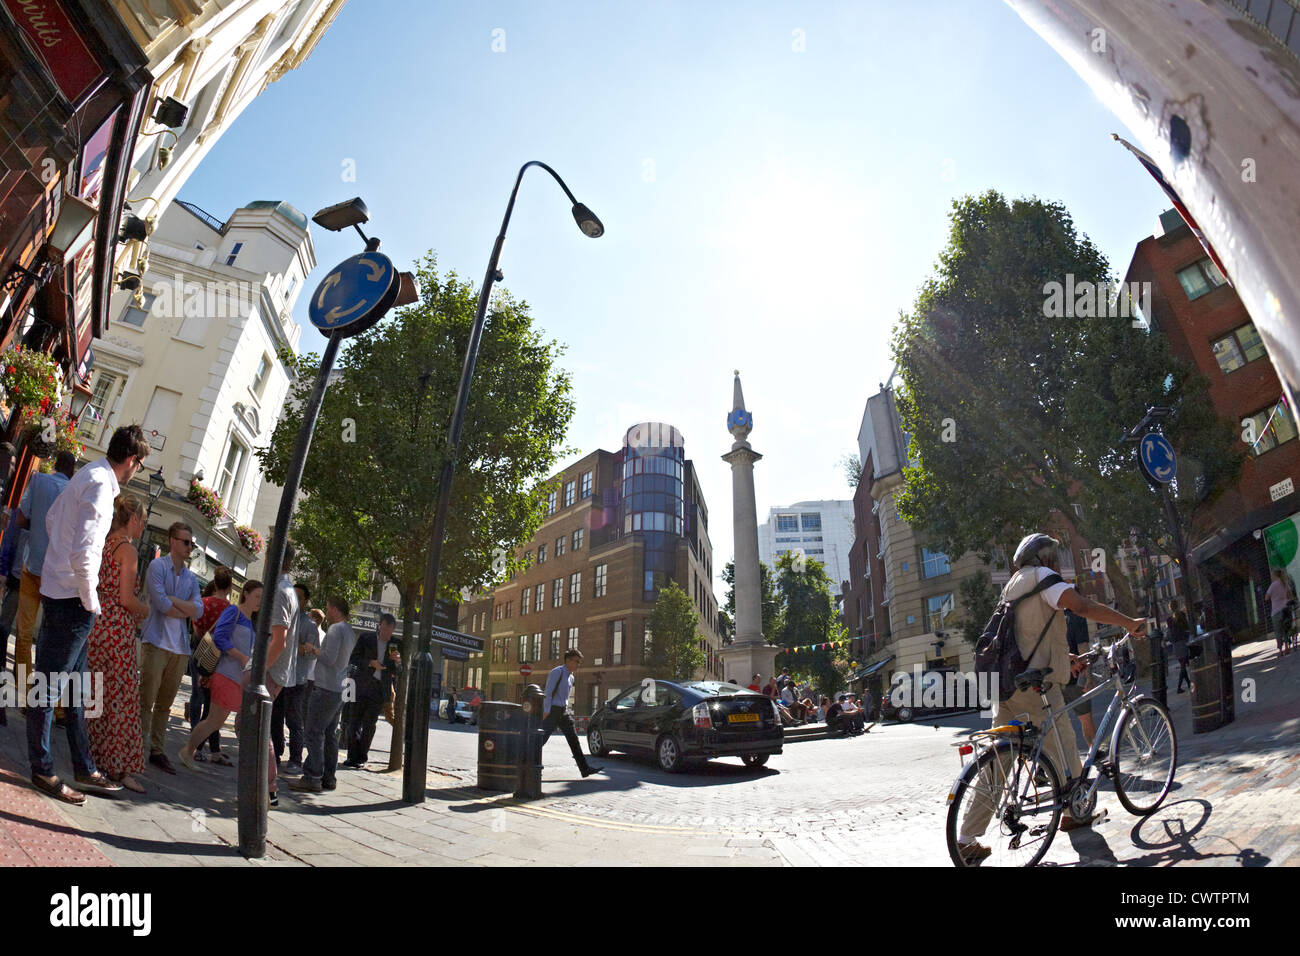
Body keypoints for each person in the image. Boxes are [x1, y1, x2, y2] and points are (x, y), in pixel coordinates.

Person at [955, 532, 1147, 864]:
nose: (1057, 562)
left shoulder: (1013, 585)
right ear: (1043, 557)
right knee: (1065, 743)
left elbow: (1028, 636)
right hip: (1036, 689)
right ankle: (1075, 811)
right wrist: (1129, 623)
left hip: (1008, 686)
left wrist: (1066, 657)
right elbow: (1082, 606)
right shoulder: (1045, 578)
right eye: (1054, 555)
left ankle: (966, 838)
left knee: (999, 762)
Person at [28, 424, 150, 804]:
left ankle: (84, 766)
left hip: (62, 591)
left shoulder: (88, 472)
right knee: (47, 689)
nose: (137, 471)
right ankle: (43, 769)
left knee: (76, 691)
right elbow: (85, 553)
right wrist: (89, 600)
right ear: (132, 460)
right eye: (140, 465)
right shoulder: (100, 485)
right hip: (74, 600)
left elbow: (51, 521)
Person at [85, 494, 151, 792]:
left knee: (97, 695)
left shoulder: (106, 542)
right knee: (121, 699)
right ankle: (119, 768)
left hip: (97, 626)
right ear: (134, 519)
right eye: (144, 519)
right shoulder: (128, 551)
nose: (145, 525)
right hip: (117, 631)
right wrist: (146, 608)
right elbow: (126, 599)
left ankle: (93, 758)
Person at [138, 521, 204, 774]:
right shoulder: (157, 566)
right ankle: (138, 745)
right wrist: (181, 607)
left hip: (179, 648)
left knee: (165, 703)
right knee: (147, 698)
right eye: (186, 542)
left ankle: (156, 749)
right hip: (156, 641)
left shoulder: (189, 576)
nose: (190, 547)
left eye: (191, 543)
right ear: (172, 541)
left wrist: (174, 602)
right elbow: (161, 604)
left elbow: (197, 609)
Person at [178, 580, 263, 774]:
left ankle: (189, 750)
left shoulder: (251, 620)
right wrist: (241, 657)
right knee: (214, 720)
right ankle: (188, 750)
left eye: (261, 598)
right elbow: (220, 638)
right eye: (257, 596)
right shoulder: (234, 612)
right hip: (226, 674)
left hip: (235, 677)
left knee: (214, 720)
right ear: (246, 594)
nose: (259, 601)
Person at [14, 450, 75, 692]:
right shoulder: (73, 493)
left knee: (24, 632)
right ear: (72, 470)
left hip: (33, 566)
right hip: (57, 577)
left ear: (55, 464)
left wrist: (36, 526)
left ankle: (23, 690)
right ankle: (51, 699)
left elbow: (20, 519)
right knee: (52, 641)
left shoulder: (38, 480)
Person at [289, 597, 357, 793]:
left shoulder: (336, 630)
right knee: (330, 734)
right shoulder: (350, 631)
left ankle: (312, 775)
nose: (326, 614)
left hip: (327, 686)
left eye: (328, 609)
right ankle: (328, 777)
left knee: (313, 731)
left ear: (335, 610)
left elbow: (328, 658)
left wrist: (313, 649)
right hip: (340, 688)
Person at [262, 548, 299, 805]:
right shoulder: (289, 591)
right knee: (256, 726)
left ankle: (268, 787)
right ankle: (266, 786)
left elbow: (279, 640)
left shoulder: (280, 592)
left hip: (271, 670)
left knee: (255, 726)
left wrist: (258, 671)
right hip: (279, 670)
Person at [190, 568, 234, 764]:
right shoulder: (232, 611)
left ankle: (196, 743)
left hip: (201, 654)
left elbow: (197, 629)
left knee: (197, 697)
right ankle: (211, 748)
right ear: (230, 587)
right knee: (214, 703)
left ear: (214, 584)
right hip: (221, 659)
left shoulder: (203, 603)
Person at [343, 612, 396, 768]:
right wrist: (371, 663)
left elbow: (399, 670)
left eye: (391, 630)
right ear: (380, 626)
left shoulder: (395, 644)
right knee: (353, 723)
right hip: (360, 685)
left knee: (369, 725)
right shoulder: (366, 639)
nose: (387, 633)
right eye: (385, 629)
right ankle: (352, 756)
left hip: (379, 689)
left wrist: (397, 662)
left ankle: (361, 757)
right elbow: (354, 659)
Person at [540, 649, 604, 777]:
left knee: (574, 740)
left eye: (579, 662)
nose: (578, 665)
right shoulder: (556, 672)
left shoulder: (571, 677)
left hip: (563, 711)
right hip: (552, 711)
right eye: (576, 661)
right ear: (568, 660)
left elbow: (565, 697)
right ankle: (527, 763)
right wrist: (546, 712)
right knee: (541, 739)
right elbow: (548, 693)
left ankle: (584, 769)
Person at [273, 583, 315, 775]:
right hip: (280, 674)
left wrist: (293, 643)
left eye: (299, 597)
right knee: (275, 717)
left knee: (294, 720)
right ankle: (275, 754)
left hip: (297, 679)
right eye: (293, 596)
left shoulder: (309, 624)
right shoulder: (282, 617)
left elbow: (311, 652)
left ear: (306, 601)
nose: (295, 601)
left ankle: (295, 759)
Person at [1061, 608, 1097, 746]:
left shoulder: (1056, 619)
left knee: (1058, 726)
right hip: (1076, 678)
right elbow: (1083, 648)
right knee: (1086, 721)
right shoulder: (1078, 617)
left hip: (1057, 678)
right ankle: (1095, 755)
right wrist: (1088, 677)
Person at [1266, 569, 1293, 656]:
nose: (1271, 577)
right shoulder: (1284, 583)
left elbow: (1266, 597)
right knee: (1285, 630)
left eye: (1272, 575)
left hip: (1276, 611)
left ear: (1274, 575)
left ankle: (1280, 651)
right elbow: (1290, 594)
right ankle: (1287, 648)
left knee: (1278, 631)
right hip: (1285, 609)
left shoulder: (1273, 585)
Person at [1167, 600, 1192, 691]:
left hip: (1175, 643)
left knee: (1182, 665)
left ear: (1170, 608)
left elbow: (1171, 632)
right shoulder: (1182, 615)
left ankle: (1188, 684)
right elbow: (1186, 627)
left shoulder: (1169, 620)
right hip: (1183, 641)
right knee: (1183, 665)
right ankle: (1180, 687)